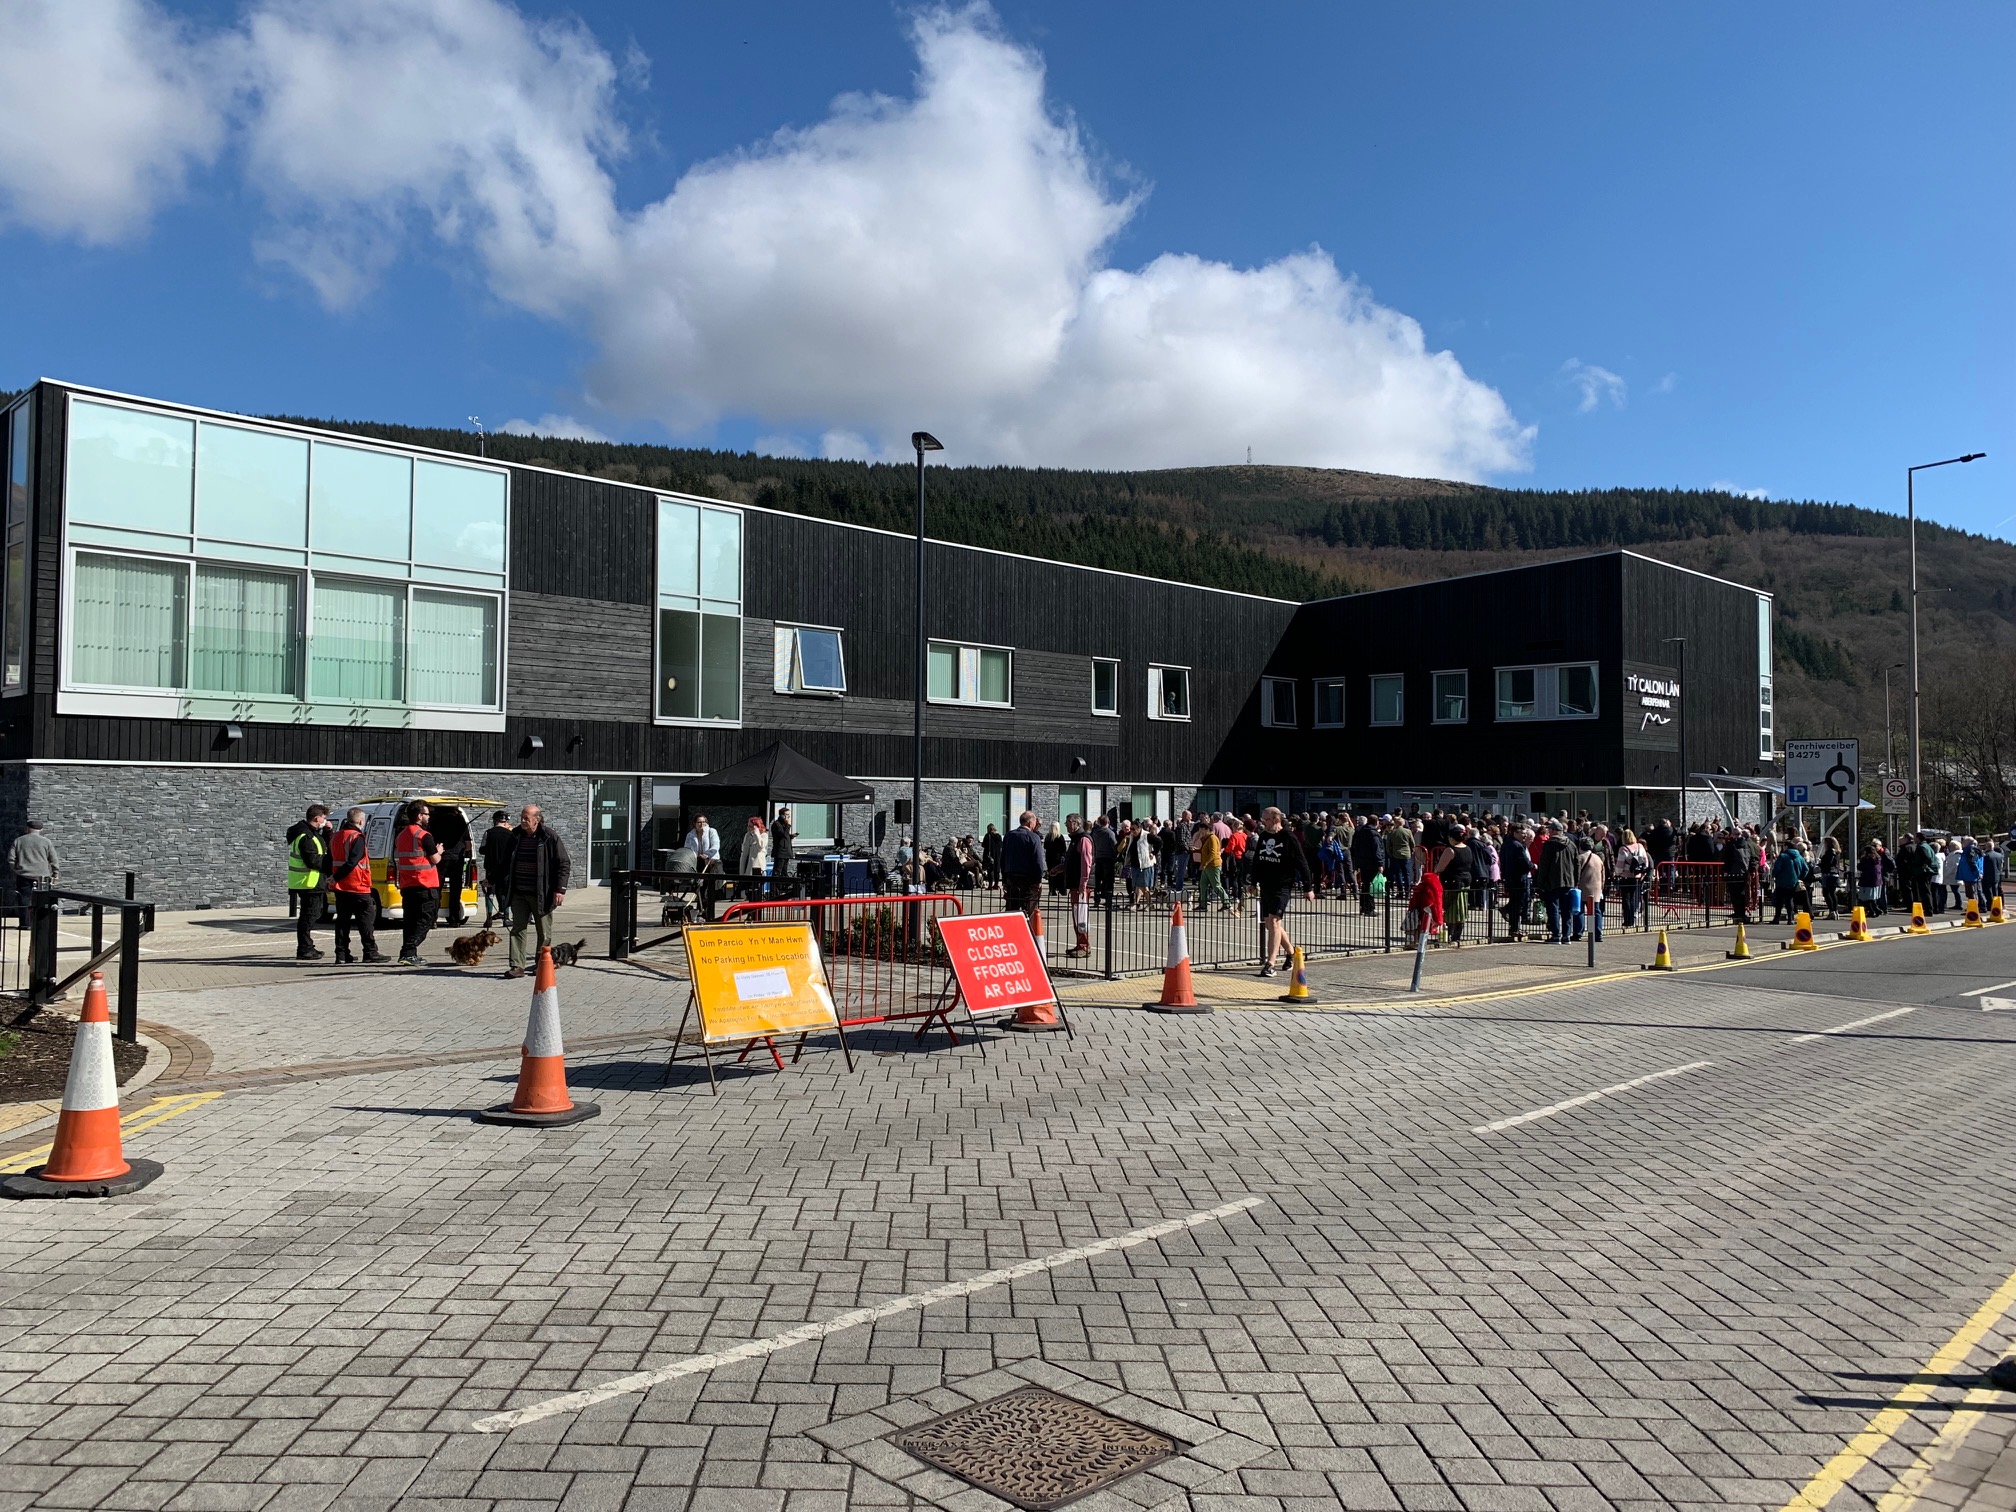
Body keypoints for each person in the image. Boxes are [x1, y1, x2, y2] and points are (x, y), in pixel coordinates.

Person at [503, 803, 572, 979]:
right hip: (519, 892)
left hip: (542, 893)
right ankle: (517, 965)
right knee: (517, 928)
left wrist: (560, 889)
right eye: (522, 817)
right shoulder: (516, 836)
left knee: (544, 932)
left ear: (537, 819)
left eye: (527, 818)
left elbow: (563, 863)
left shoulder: (549, 837)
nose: (523, 821)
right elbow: (505, 861)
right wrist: (493, 879)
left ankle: (542, 964)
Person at [1249, 807, 1313, 978]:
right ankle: (1292, 953)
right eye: (1262, 819)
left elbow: (1302, 862)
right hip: (1266, 885)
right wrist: (1252, 881)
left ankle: (1270, 963)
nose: (1263, 822)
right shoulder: (1263, 836)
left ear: (1276, 820)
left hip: (1282, 886)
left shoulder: (1288, 837)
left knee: (1274, 921)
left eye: (1267, 819)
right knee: (1270, 923)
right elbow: (1257, 860)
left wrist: (1308, 887)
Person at [328, 807, 386, 964]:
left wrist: (333, 877)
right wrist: (335, 877)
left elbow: (331, 859)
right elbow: (352, 862)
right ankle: (370, 952)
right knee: (366, 920)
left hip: (341, 887)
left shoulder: (336, 836)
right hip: (358, 885)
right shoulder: (357, 837)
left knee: (342, 921)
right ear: (361, 821)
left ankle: (341, 954)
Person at [393, 800, 444, 966]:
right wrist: (440, 851)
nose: (429, 817)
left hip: (408, 886)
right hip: (425, 885)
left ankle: (409, 953)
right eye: (427, 814)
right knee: (426, 921)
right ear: (419, 815)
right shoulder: (424, 835)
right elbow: (435, 859)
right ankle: (408, 951)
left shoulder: (401, 835)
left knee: (410, 922)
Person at [288, 804, 333, 960]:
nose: (325, 821)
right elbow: (313, 860)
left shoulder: (310, 834)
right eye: (324, 818)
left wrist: (327, 832)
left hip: (309, 882)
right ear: (317, 818)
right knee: (309, 916)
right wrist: (330, 864)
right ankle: (305, 949)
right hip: (309, 882)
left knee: (310, 915)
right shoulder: (306, 837)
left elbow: (325, 847)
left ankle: (306, 947)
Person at [1000, 811, 1045, 922]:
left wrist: (1004, 880)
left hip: (1012, 877)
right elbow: (1038, 861)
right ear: (1030, 823)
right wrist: (1039, 879)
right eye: (1034, 822)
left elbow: (1003, 859)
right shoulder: (1034, 837)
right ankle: (1030, 933)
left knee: (1011, 910)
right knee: (1030, 910)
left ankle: (1011, 933)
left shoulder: (1009, 836)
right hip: (1028, 880)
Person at [1537, 824, 1577, 944]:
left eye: (1550, 830)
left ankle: (1555, 935)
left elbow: (1544, 865)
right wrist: (1576, 880)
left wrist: (1540, 882)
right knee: (1566, 909)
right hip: (1569, 881)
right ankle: (1566, 936)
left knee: (1553, 908)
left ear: (1554, 831)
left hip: (1552, 881)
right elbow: (1577, 863)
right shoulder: (1571, 844)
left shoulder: (1549, 845)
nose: (1548, 832)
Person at [1062, 814, 1095, 956]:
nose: (1066, 825)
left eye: (1068, 823)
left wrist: (1083, 882)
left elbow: (1086, 862)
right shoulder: (1076, 839)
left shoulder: (1083, 839)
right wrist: (1060, 868)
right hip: (1076, 884)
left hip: (1081, 885)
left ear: (1076, 823)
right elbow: (1074, 861)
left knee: (1081, 916)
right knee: (1077, 915)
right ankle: (1080, 944)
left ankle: (1083, 946)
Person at [8, 820, 58, 904]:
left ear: (27, 828)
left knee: (24, 901)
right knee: (42, 901)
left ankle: (25, 917)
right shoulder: (46, 842)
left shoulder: (18, 841)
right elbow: (53, 859)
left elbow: (11, 859)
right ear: (41, 829)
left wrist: (16, 870)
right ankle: (40, 917)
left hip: (23, 876)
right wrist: (55, 873)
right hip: (42, 877)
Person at [478, 810, 514, 926]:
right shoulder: (510, 835)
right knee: (505, 893)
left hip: (491, 868)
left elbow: (482, 849)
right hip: (506, 869)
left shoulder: (488, 833)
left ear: (495, 820)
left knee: (490, 892)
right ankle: (506, 918)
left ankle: (488, 918)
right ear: (505, 821)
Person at [1499, 825, 1535, 940]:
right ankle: (1515, 928)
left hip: (1509, 877)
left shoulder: (1506, 844)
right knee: (1518, 905)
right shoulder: (1518, 846)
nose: (1524, 835)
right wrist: (1533, 865)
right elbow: (1525, 863)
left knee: (1515, 902)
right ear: (1515, 833)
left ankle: (1514, 927)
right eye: (1522, 833)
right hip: (1519, 878)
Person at [1613, 828, 1649, 931]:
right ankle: (1632, 919)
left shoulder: (1623, 849)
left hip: (1626, 876)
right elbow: (1645, 862)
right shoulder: (1640, 846)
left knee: (1626, 899)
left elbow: (1619, 865)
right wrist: (1642, 873)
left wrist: (1617, 873)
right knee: (1634, 898)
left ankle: (1627, 920)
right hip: (1637, 876)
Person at [1574, 841, 1607, 943]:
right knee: (1596, 912)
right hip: (1596, 888)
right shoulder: (1598, 858)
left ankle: (1578, 933)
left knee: (1580, 911)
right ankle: (1598, 934)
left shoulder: (1580, 858)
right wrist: (1601, 887)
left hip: (1582, 887)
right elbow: (1603, 875)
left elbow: (1576, 873)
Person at [1769, 843, 1809, 924]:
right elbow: (1806, 869)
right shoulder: (1800, 857)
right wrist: (1799, 877)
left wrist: (1774, 875)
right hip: (1793, 882)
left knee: (1779, 901)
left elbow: (1777, 868)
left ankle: (1777, 918)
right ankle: (1790, 918)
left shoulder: (1783, 856)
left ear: (1786, 847)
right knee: (1790, 900)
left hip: (1781, 881)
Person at [1090, 815, 1117, 904]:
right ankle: (1108, 899)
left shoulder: (1095, 832)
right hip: (1108, 858)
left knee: (1098, 879)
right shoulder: (1109, 833)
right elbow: (1114, 845)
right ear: (1108, 822)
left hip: (1098, 857)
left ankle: (1096, 899)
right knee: (1109, 879)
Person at [770, 807, 796, 898]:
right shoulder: (777, 824)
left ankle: (783, 890)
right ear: (782, 815)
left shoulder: (783, 825)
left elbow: (786, 836)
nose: (788, 817)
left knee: (784, 872)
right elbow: (782, 834)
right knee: (777, 871)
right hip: (780, 851)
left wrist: (791, 836)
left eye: (789, 815)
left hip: (786, 851)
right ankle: (773, 892)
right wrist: (788, 825)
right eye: (787, 815)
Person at [739, 814, 770, 880]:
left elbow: (760, 846)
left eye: (751, 826)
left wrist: (756, 833)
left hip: (758, 866)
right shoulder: (747, 835)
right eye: (748, 826)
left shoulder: (764, 835)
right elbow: (744, 852)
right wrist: (741, 871)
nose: (749, 828)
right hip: (748, 866)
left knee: (756, 887)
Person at [981, 823, 1004, 889]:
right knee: (997, 870)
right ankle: (996, 885)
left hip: (990, 856)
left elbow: (984, 845)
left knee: (990, 870)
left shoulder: (987, 836)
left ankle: (990, 885)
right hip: (998, 855)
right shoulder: (999, 836)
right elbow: (1001, 845)